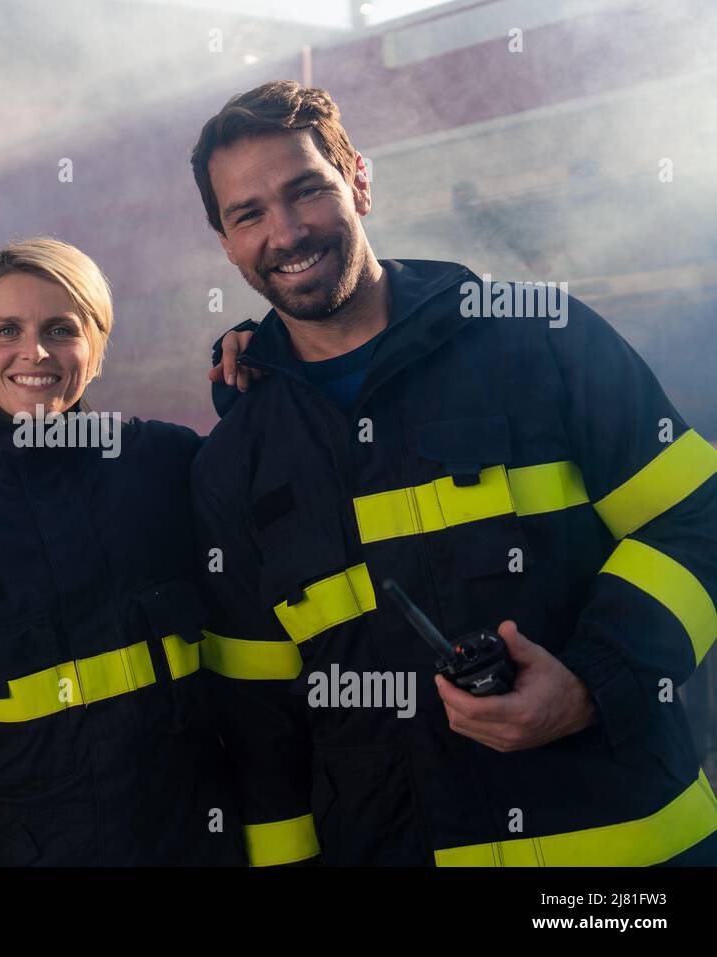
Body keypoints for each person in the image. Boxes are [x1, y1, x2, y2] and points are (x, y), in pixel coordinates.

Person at [189, 80, 717, 866]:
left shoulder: (538, 336)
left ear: (359, 181)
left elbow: (694, 518)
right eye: (250, 213)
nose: (288, 230)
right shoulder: (235, 459)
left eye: (308, 190)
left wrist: (592, 681)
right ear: (227, 243)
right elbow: (263, 723)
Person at [0, 237, 243, 865]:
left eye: (61, 329)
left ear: (97, 348)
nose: (32, 352)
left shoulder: (167, 467)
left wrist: (267, 351)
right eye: (6, 330)